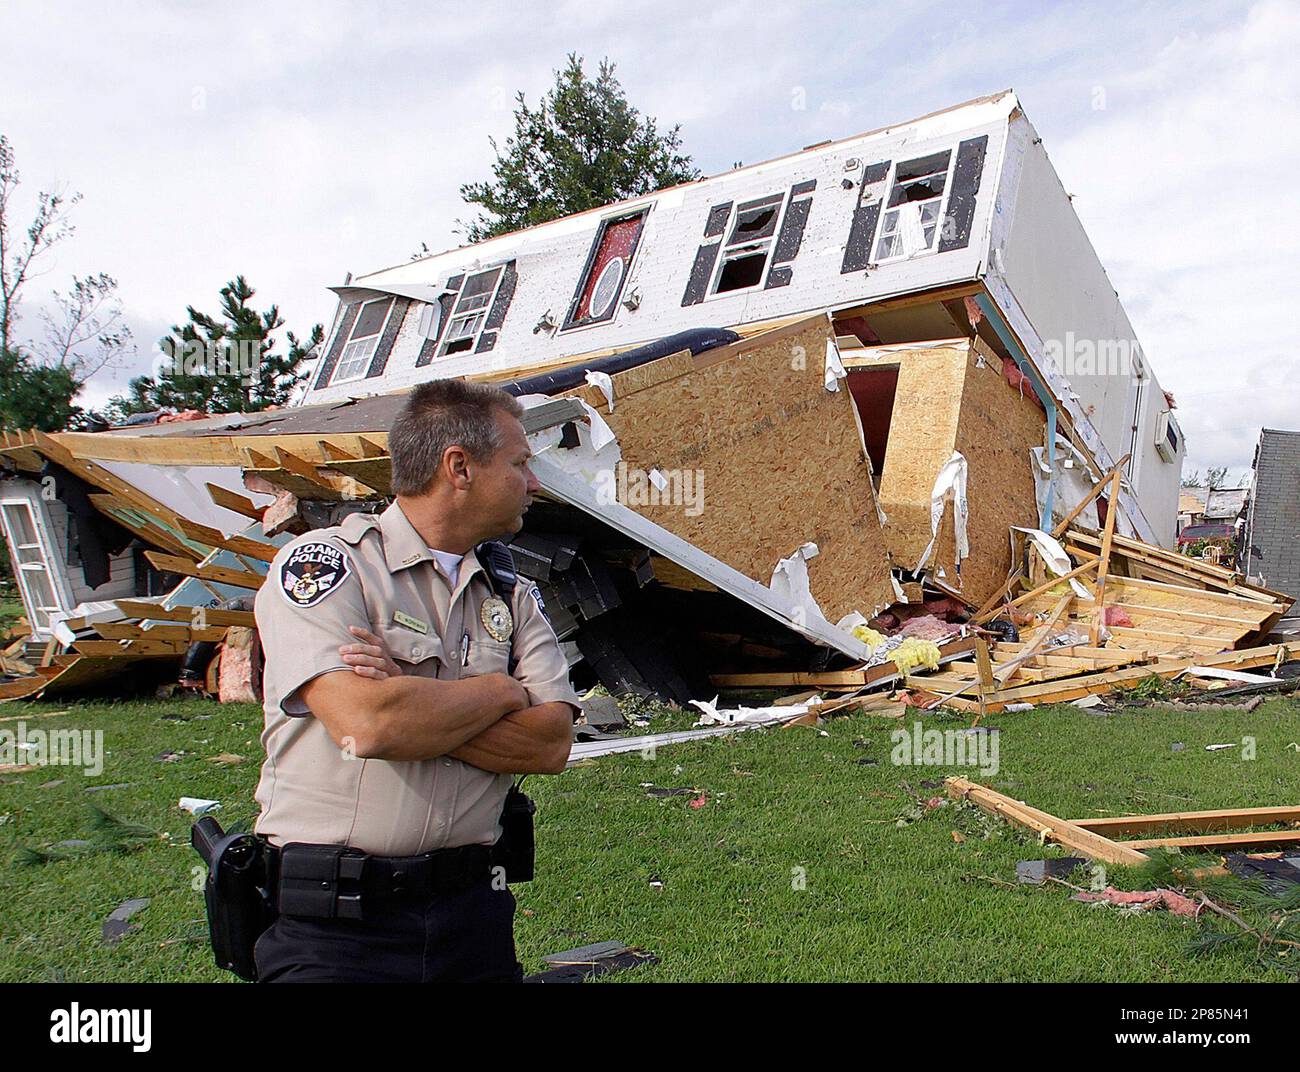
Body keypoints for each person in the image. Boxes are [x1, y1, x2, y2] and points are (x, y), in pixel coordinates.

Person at [250, 379, 580, 983]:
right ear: (460, 467)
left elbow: (550, 745)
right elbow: (368, 724)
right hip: (336, 928)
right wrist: (501, 692)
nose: (533, 483)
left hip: (470, 920)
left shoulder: (512, 594)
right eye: (519, 464)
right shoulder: (327, 565)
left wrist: (405, 692)